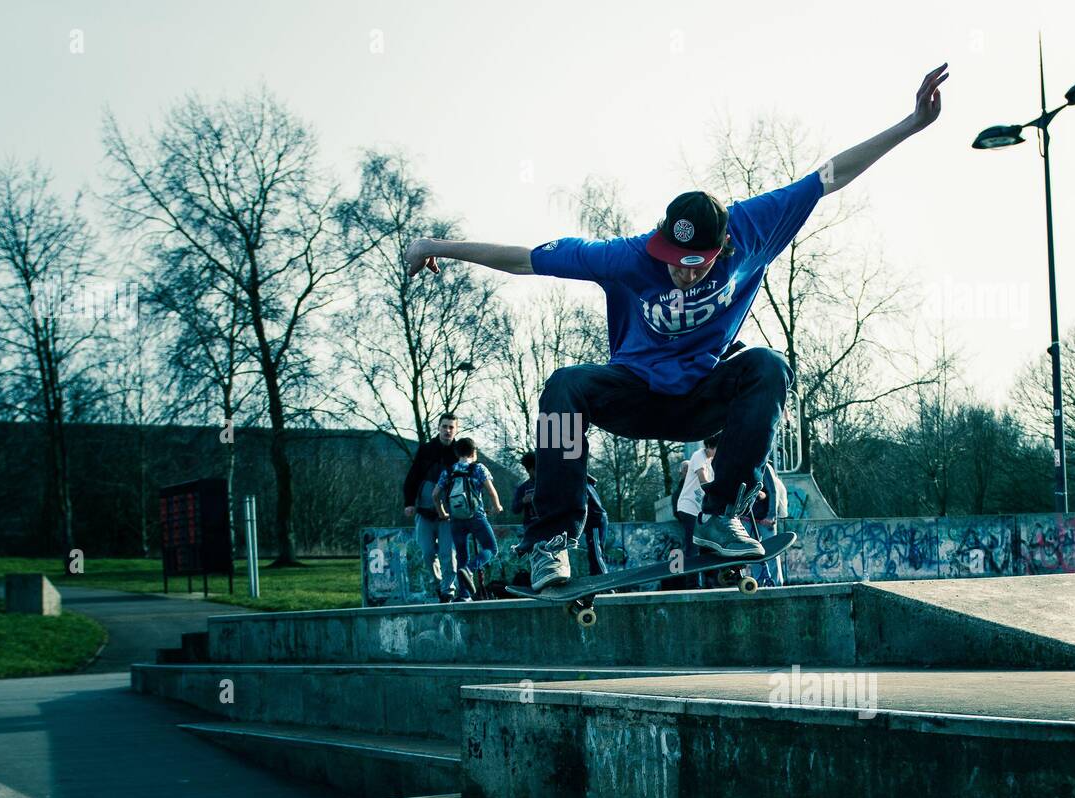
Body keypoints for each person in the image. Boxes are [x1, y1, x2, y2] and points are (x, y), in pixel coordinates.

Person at [405, 65, 949, 590]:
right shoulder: (625, 257)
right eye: (672, 258)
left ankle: (721, 515)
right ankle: (552, 542)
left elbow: (830, 176)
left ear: (722, 247)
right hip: (635, 393)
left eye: (696, 262)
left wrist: (911, 124)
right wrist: (436, 247)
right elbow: (525, 259)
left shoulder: (756, 227)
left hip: (703, 398)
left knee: (767, 367)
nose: (680, 271)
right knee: (565, 386)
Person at [434, 437, 503, 600]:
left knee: (461, 556)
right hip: (476, 516)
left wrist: (442, 513)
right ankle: (471, 569)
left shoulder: (448, 471)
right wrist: (497, 506)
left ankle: (464, 595)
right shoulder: (478, 468)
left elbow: (435, 495)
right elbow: (491, 492)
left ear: (457, 453)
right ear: (474, 452)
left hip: (456, 519)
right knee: (491, 548)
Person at [401, 411, 460, 601]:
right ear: (439, 428)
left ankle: (448, 591)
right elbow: (413, 477)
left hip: (448, 515)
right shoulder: (426, 449)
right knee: (427, 553)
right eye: (445, 426)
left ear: (456, 429)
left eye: (451, 427)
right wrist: (409, 502)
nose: (448, 430)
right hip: (425, 512)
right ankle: (437, 584)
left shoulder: (459, 452)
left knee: (447, 555)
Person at [674, 436, 718, 588]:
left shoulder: (711, 462)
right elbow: (704, 481)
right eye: (716, 450)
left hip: (700, 510)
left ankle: (709, 581)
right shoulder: (698, 455)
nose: (717, 453)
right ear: (709, 447)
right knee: (693, 547)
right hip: (688, 507)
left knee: (707, 545)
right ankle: (692, 584)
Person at [749, 461, 788, 586]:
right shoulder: (741, 465)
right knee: (753, 552)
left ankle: (776, 584)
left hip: (764, 518)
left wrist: (771, 515)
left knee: (770, 551)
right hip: (748, 517)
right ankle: (758, 583)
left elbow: (773, 491)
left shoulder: (764, 467)